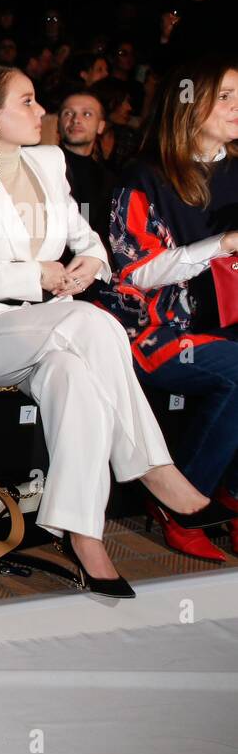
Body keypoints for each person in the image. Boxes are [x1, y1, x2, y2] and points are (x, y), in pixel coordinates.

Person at [0, 63, 233, 597]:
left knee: (78, 381)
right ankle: (155, 470)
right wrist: (36, 275)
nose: (42, 111)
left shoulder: (49, 163)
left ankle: (82, 533)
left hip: (47, 328)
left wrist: (90, 264)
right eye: (26, 102)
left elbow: (88, 237)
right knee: (91, 321)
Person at [97, 57, 238, 559]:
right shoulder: (146, 174)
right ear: (188, 102)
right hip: (155, 330)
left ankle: (231, 497)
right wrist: (219, 245)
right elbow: (134, 273)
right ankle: (183, 503)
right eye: (222, 95)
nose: (234, 105)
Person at [57, 91, 115, 243]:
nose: (76, 120)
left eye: (87, 114)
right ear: (58, 122)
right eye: (68, 113)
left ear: (100, 126)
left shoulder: (106, 179)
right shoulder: (42, 167)